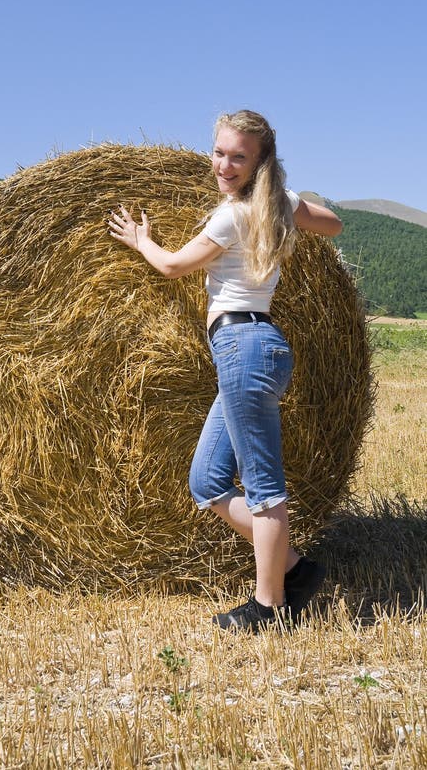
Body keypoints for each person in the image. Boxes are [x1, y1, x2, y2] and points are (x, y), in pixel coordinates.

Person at [108, 109, 343, 633]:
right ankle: (294, 569)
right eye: (219, 152)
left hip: (243, 348)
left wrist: (140, 239)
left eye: (239, 156)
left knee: (263, 487)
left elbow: (170, 266)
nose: (225, 164)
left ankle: (269, 607)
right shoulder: (276, 206)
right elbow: (332, 223)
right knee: (206, 482)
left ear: (259, 162)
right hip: (258, 348)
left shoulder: (233, 215)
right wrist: (287, 203)